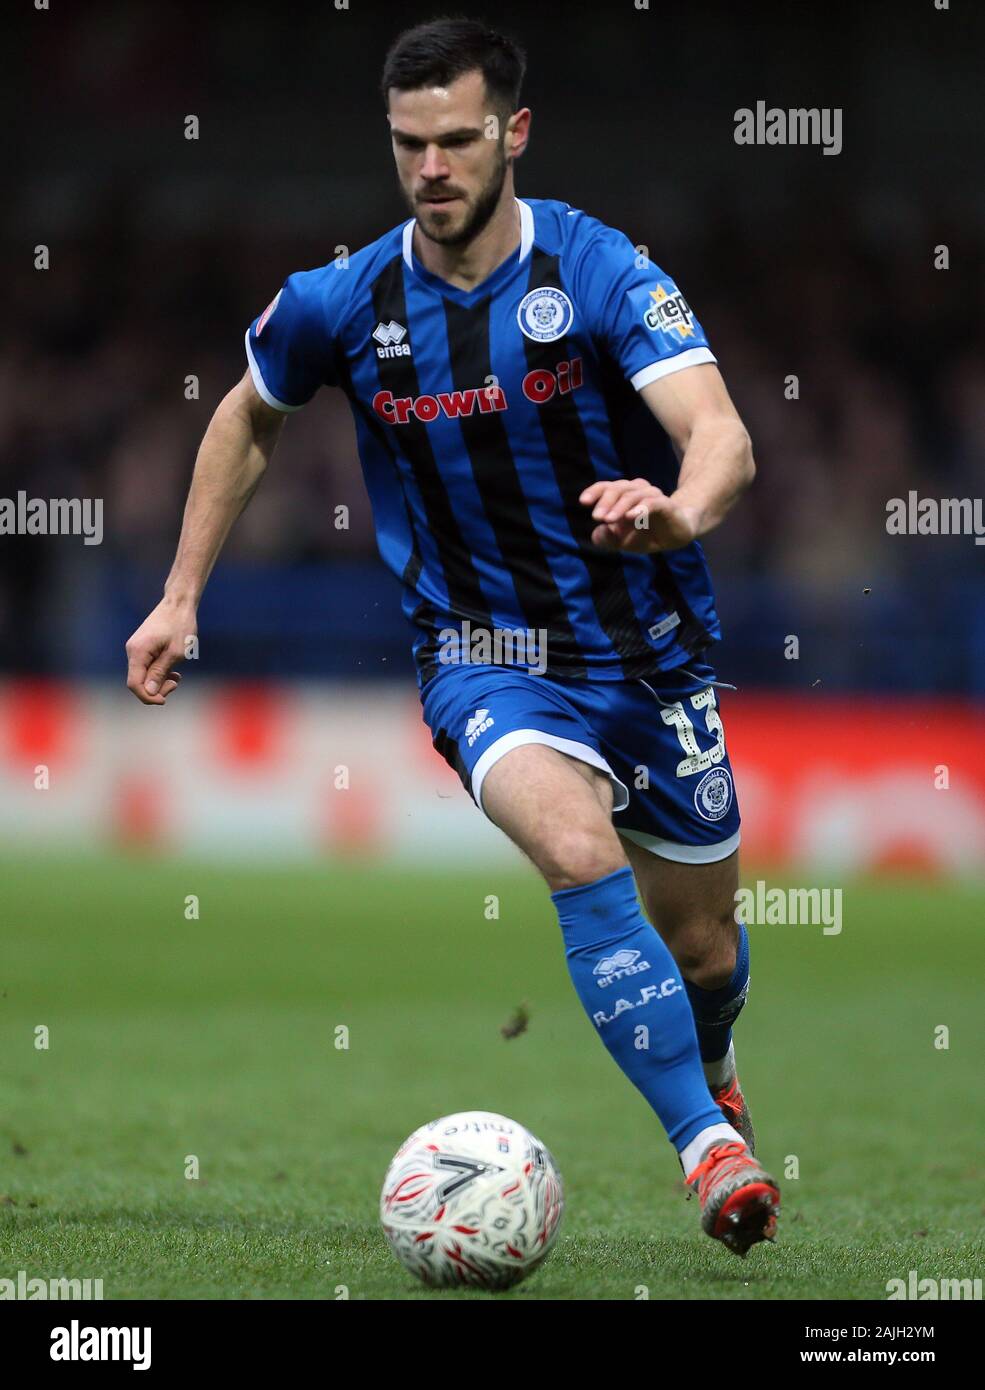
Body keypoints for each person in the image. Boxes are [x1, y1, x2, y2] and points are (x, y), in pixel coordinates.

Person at [125, 16, 779, 1256]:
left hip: (647, 654)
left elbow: (723, 437)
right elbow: (244, 417)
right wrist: (180, 592)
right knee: (578, 851)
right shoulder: (344, 298)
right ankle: (709, 1149)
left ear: (513, 133)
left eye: (457, 139)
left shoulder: (596, 271)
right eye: (408, 143)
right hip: (483, 657)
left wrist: (676, 509)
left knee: (703, 948)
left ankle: (714, 1062)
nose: (431, 166)